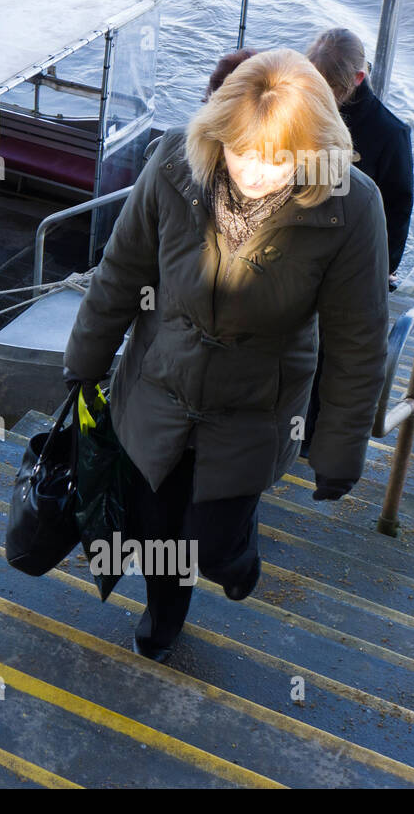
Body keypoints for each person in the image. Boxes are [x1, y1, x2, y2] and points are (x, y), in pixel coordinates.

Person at [62, 48, 389, 663]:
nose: (254, 173)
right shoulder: (172, 162)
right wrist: (85, 361)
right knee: (157, 534)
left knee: (211, 546)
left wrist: (339, 451)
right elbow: (120, 272)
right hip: (158, 389)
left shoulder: (353, 207)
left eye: (276, 161)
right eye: (242, 153)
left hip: (253, 411)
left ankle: (235, 556)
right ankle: (164, 618)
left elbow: (358, 343)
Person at [302, 28, 414, 454]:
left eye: (330, 89)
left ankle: (313, 440)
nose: (322, 99)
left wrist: (383, 270)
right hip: (302, 252)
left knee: (333, 357)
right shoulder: (302, 111)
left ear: (358, 80)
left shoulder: (389, 134)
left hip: (353, 264)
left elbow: (398, 209)